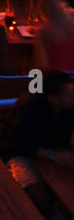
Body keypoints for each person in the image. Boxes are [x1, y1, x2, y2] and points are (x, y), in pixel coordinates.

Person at [6, 69, 74, 205]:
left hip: (57, 152)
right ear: (53, 97)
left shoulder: (69, 107)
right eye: (69, 94)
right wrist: (53, 156)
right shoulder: (30, 107)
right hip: (24, 156)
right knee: (39, 196)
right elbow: (19, 144)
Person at [34, 0, 74, 74]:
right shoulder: (71, 23)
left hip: (57, 81)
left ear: (41, 10)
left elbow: (42, 66)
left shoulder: (42, 33)